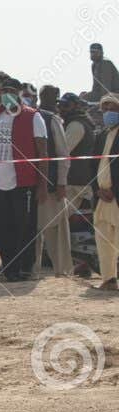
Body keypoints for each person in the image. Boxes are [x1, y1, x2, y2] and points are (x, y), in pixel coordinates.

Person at [0, 73, 47, 282]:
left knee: (25, 226)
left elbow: (42, 152)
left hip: (24, 181)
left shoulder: (32, 116)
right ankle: (9, 269)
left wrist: (42, 184)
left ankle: (25, 267)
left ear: (19, 93)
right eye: (4, 92)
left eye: (11, 92)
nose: (7, 95)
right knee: (3, 226)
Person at [32, 84, 73, 276]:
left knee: (54, 231)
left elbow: (62, 155)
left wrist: (61, 183)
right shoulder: (35, 117)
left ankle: (60, 270)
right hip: (31, 185)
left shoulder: (52, 120)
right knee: (34, 232)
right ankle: (33, 270)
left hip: (51, 187)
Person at [94, 94, 119, 290]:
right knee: (103, 239)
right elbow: (92, 164)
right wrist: (98, 190)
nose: (108, 112)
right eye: (104, 108)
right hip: (102, 198)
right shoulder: (102, 134)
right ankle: (109, 279)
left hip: (116, 195)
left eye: (112, 108)